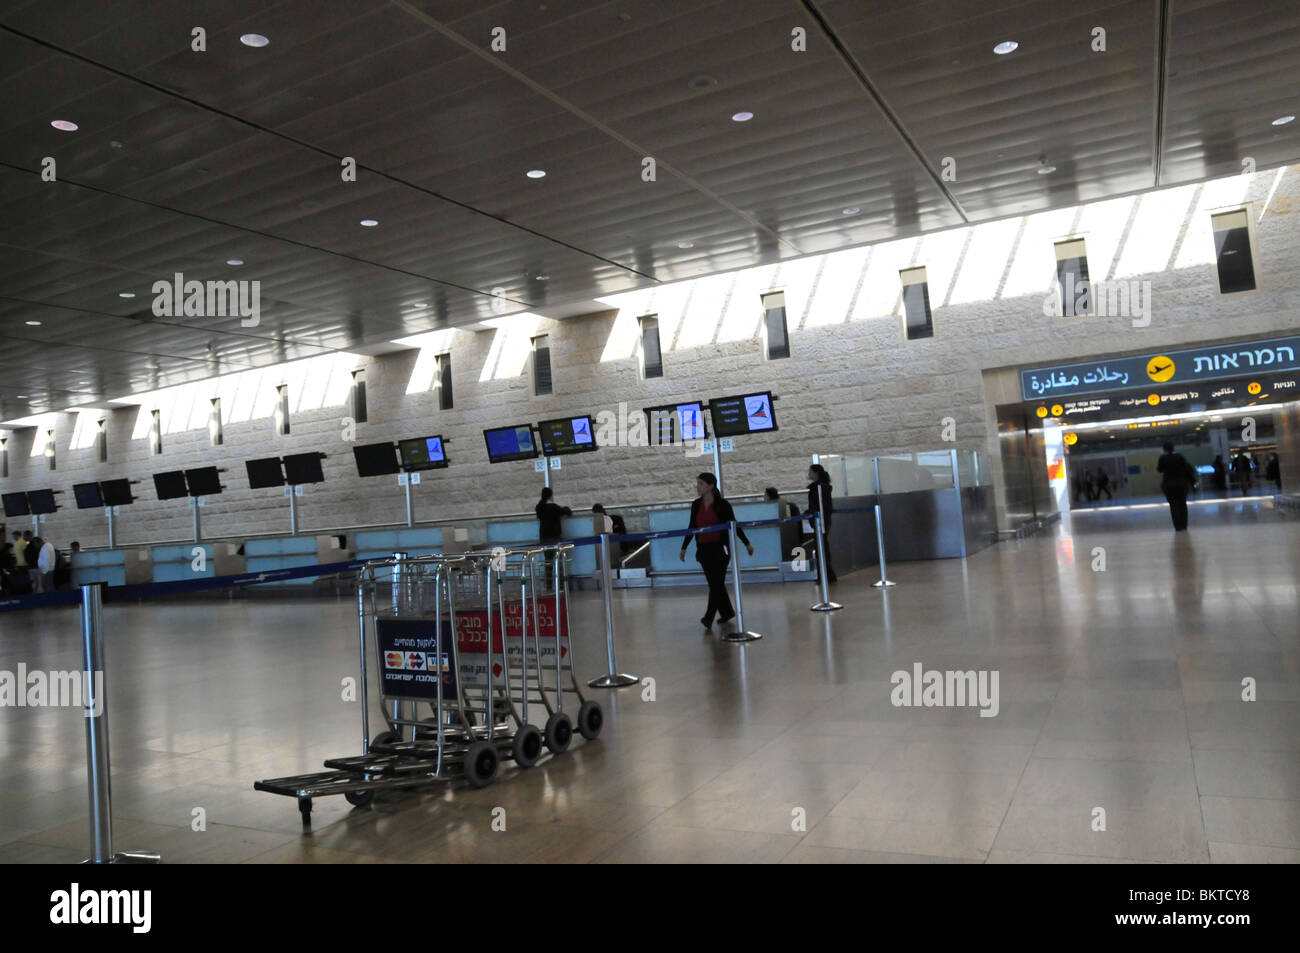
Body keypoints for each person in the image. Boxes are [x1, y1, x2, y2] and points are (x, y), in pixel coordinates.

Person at [679, 473, 753, 628]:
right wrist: (684, 547)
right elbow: (692, 525)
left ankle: (709, 617)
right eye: (697, 483)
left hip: (721, 549)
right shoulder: (696, 505)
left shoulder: (722, 505)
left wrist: (746, 543)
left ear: (711, 486)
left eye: (701, 484)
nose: (697, 487)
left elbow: (733, 524)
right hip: (704, 549)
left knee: (716, 583)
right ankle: (727, 612)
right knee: (715, 583)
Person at [804, 464, 837, 584]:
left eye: (810, 471)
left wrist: (811, 514)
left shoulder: (819, 488)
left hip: (820, 520)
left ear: (816, 473)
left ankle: (825, 575)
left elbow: (819, 505)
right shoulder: (821, 487)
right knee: (822, 547)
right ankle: (828, 574)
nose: (808, 473)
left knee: (821, 548)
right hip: (821, 519)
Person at [1157, 441, 1198, 531]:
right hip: (1181, 484)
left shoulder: (1163, 458)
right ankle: (1184, 525)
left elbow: (1159, 469)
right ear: (1173, 448)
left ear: (1164, 449)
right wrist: (1193, 483)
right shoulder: (1179, 457)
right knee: (1182, 504)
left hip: (1168, 485)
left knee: (1173, 505)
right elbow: (1187, 469)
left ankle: (1177, 526)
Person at [536, 488, 571, 585]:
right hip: (554, 537)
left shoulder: (540, 507)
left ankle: (548, 584)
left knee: (548, 562)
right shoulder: (553, 507)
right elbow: (567, 511)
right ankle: (560, 584)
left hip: (544, 538)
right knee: (559, 561)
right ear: (551, 496)